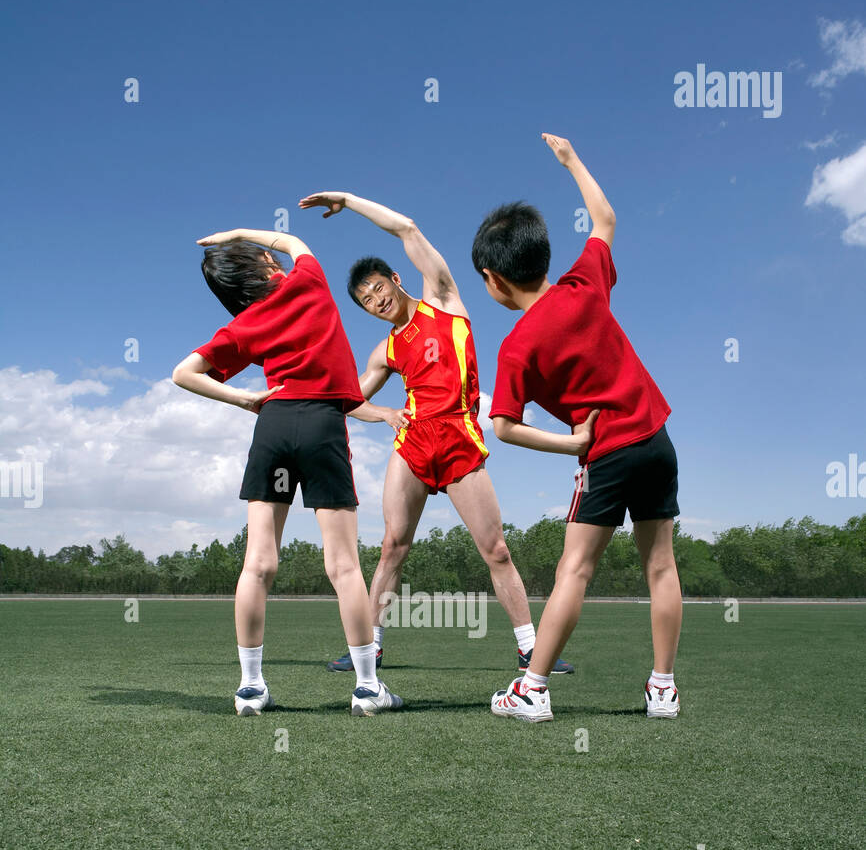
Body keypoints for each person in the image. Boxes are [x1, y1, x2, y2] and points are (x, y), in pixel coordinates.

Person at [297, 190, 576, 676]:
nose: (376, 301)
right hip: (412, 443)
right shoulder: (385, 351)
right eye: (365, 302)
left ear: (395, 279)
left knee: (496, 550)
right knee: (392, 545)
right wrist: (383, 414)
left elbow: (406, 227)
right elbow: (348, 400)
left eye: (378, 289)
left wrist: (348, 201)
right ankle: (369, 647)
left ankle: (530, 648)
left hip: (460, 438)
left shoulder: (442, 300)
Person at [473, 134, 682, 722]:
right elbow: (606, 218)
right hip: (657, 442)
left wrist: (571, 442)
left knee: (575, 570)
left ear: (492, 278)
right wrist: (570, 161)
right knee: (660, 567)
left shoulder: (516, 347)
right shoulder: (584, 282)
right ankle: (662, 688)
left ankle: (533, 688)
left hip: (607, 456)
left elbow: (505, 427)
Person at [171, 227, 403, 717]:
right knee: (343, 566)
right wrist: (238, 234)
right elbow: (292, 242)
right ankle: (366, 689)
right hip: (322, 426)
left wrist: (245, 398)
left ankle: (250, 689)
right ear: (264, 267)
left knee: (259, 563)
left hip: (274, 425)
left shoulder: (249, 322)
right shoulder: (309, 279)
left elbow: (183, 373)